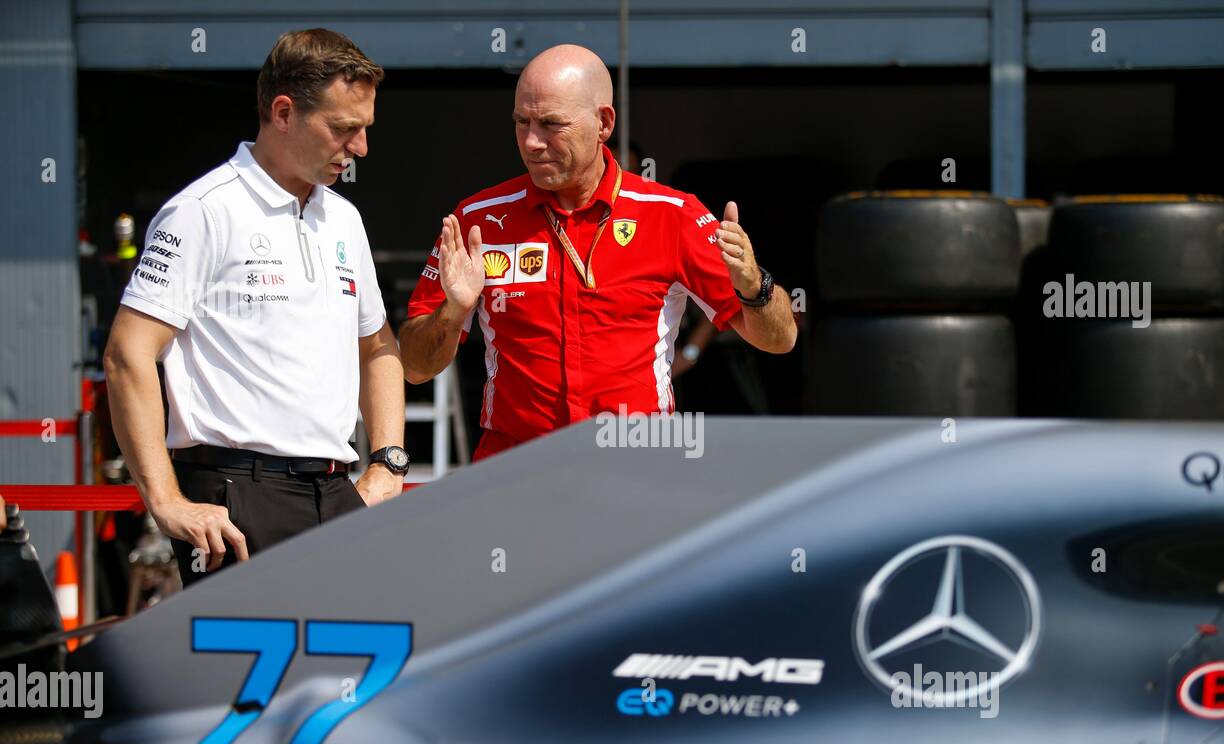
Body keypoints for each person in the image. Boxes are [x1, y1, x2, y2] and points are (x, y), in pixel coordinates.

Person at [103, 29, 408, 586]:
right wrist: (166, 500)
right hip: (238, 497)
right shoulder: (201, 211)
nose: (361, 147)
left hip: (337, 493)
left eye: (365, 128)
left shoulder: (343, 217)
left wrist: (388, 464)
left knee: (349, 669)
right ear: (284, 112)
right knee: (246, 676)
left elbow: (378, 345)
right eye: (344, 128)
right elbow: (128, 355)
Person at [399, 44, 797, 461]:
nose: (532, 142)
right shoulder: (478, 219)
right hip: (515, 468)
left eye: (551, 124)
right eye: (522, 123)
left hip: (635, 462)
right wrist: (453, 311)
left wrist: (755, 285)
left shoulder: (672, 215)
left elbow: (780, 339)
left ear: (603, 123)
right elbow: (415, 366)